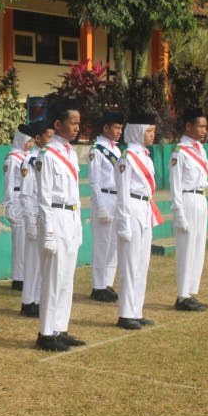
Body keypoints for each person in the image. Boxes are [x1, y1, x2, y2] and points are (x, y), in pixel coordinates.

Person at [35, 99, 85, 352]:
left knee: (66, 278)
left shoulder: (70, 153)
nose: (77, 127)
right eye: (72, 122)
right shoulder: (47, 155)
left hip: (71, 217)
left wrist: (78, 225)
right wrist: (48, 232)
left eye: (78, 123)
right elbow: (43, 197)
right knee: (53, 278)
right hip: (55, 216)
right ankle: (46, 332)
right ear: (58, 124)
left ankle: (60, 327)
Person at [115, 113, 162, 330]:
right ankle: (125, 313)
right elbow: (123, 193)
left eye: (153, 131)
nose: (153, 135)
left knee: (142, 261)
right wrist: (123, 222)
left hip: (145, 207)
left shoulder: (145, 156)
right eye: (149, 131)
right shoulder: (127, 157)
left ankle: (137, 309)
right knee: (130, 262)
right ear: (137, 131)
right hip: (132, 208)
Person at [170, 109, 208, 312]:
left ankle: (190, 291)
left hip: (201, 197)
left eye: (205, 126)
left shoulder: (200, 149)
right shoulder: (180, 151)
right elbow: (175, 185)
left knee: (197, 247)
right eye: (200, 126)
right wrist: (178, 212)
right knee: (186, 248)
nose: (204, 130)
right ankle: (182, 295)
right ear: (188, 126)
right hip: (187, 199)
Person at [87, 112, 125, 303]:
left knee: (113, 245)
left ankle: (107, 283)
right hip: (103, 197)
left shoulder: (116, 150)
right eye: (116, 128)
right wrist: (100, 205)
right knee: (101, 244)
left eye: (121, 128)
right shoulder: (97, 150)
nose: (120, 132)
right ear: (105, 128)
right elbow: (94, 182)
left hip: (116, 198)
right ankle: (98, 285)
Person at [19, 120, 53, 318]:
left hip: (46, 215)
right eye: (48, 137)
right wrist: (31, 222)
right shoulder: (30, 161)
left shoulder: (48, 158)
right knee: (32, 261)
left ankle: (39, 299)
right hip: (35, 215)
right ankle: (28, 301)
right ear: (38, 138)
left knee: (44, 262)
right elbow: (26, 195)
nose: (51, 141)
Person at [3, 123, 33, 292]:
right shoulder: (12, 158)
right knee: (19, 241)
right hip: (16, 198)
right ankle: (18, 277)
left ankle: (25, 275)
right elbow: (9, 183)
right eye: (28, 141)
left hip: (27, 199)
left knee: (27, 240)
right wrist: (9, 205)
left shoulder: (28, 157)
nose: (30, 144)